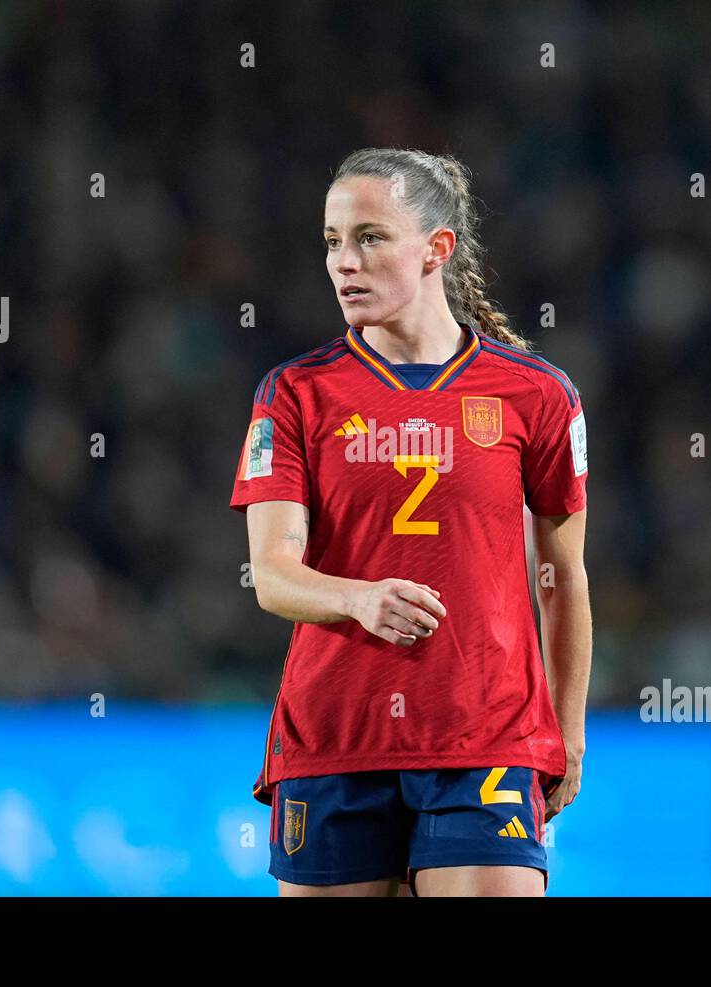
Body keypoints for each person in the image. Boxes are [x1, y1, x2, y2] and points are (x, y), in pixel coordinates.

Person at [229, 148, 591, 896]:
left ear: (437, 249)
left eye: (369, 237)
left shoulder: (536, 395)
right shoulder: (294, 395)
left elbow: (561, 578)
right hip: (334, 735)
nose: (343, 263)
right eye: (332, 241)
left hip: (485, 734)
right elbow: (271, 573)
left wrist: (568, 731)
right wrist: (357, 597)